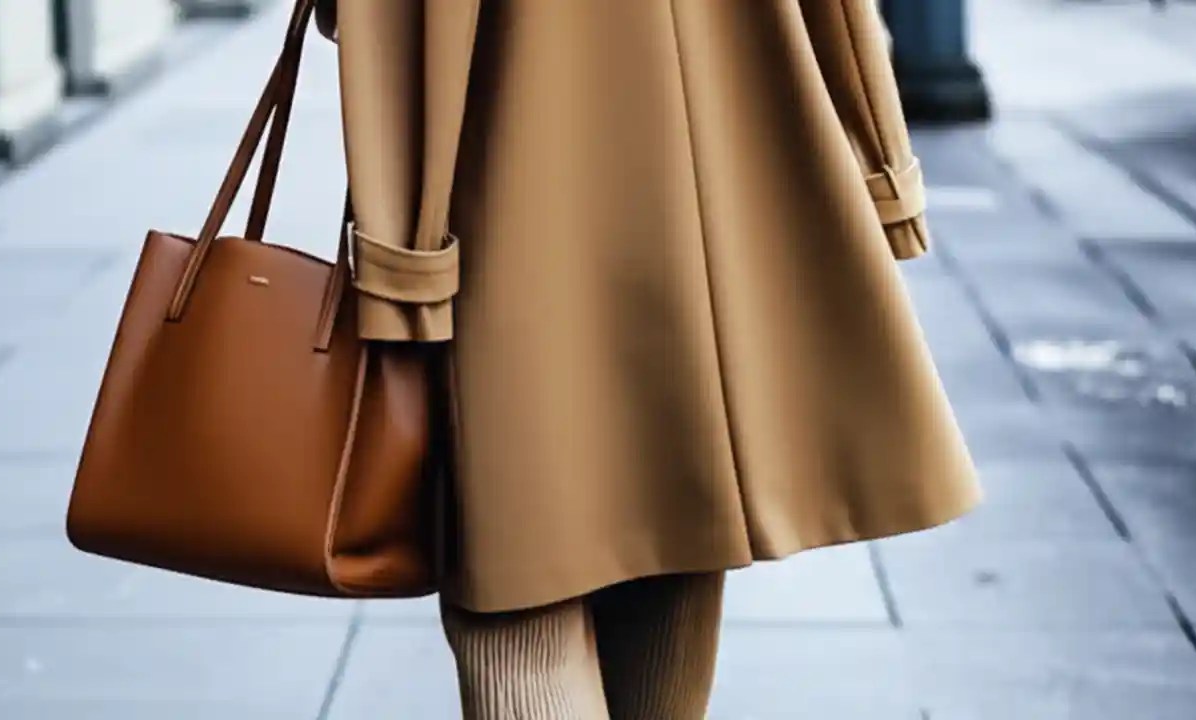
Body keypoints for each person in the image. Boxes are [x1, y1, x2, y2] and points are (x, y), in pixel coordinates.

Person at [317, 1, 983, 717]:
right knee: (673, 534)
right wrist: (881, 164)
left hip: (506, 162)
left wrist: (401, 256)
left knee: (517, 614)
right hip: (725, 150)